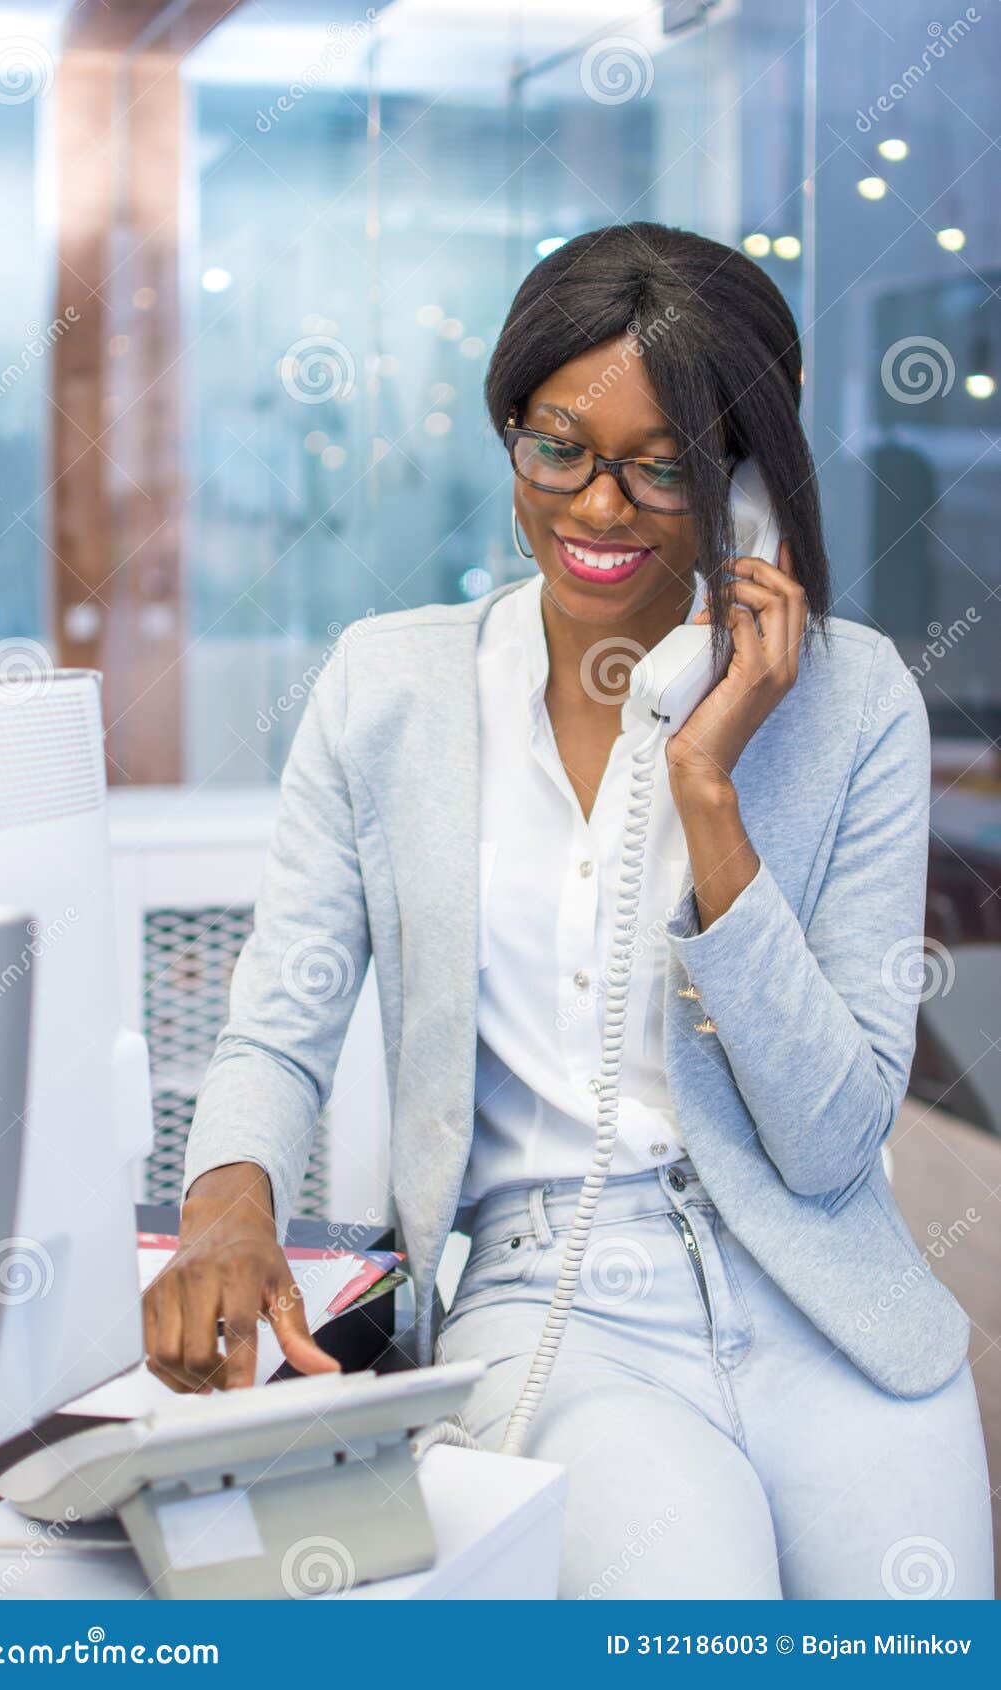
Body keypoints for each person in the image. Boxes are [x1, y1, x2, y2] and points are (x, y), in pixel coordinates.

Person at [144, 222, 993, 1600]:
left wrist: (708, 787)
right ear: (507, 431)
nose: (600, 508)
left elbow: (834, 1138)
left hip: (824, 1292)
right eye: (558, 447)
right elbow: (278, 1026)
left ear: (744, 483)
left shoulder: (855, 706)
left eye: (665, 466)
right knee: (686, 1612)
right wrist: (226, 1211)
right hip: (557, 1303)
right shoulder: (387, 691)